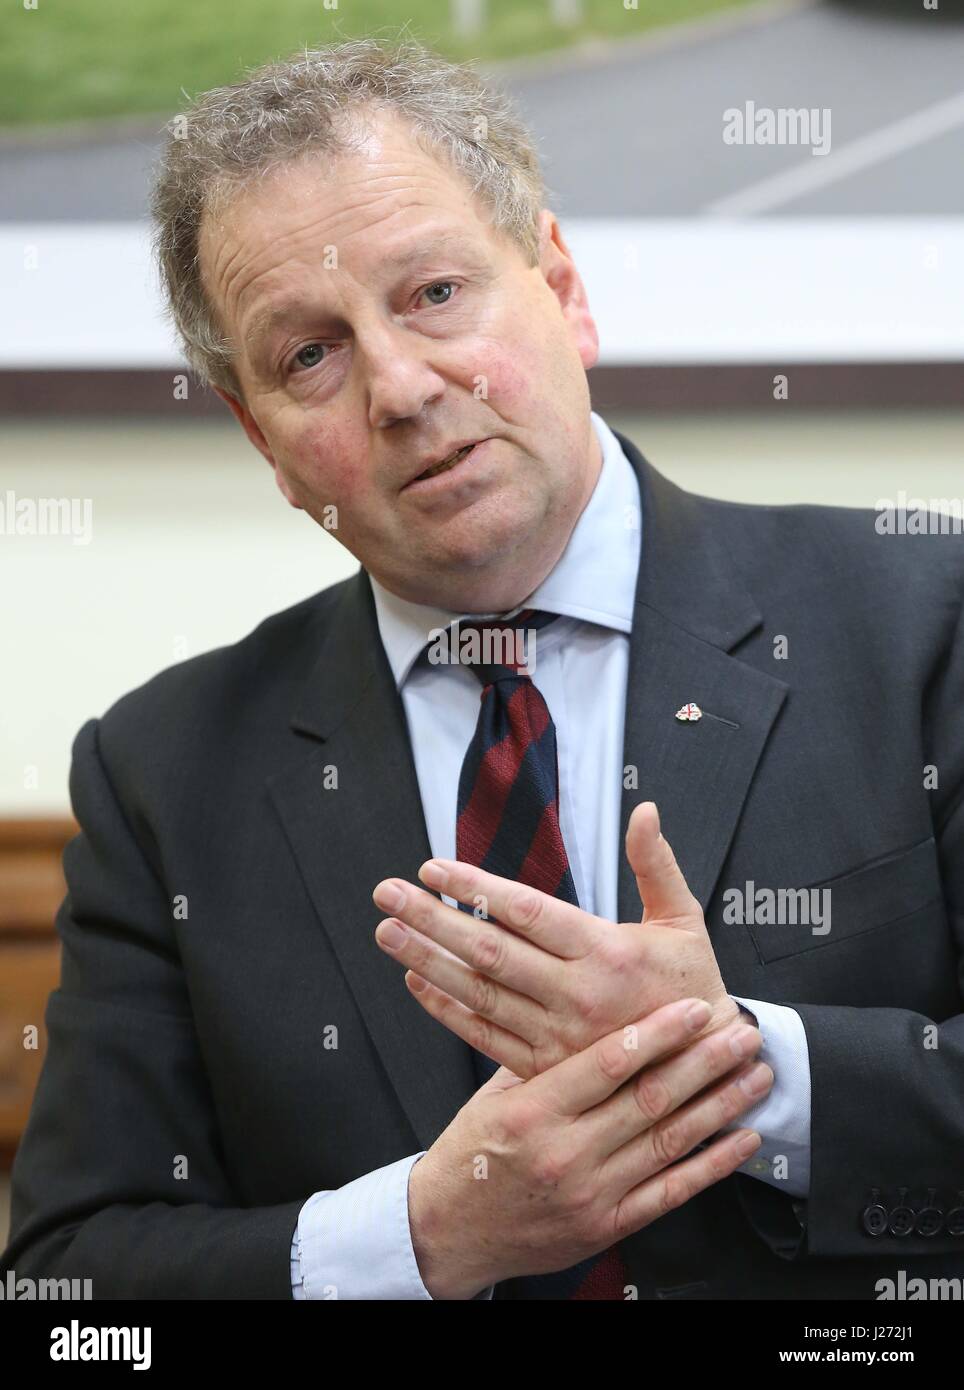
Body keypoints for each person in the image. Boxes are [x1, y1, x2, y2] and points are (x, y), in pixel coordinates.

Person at [3, 37, 963, 1300]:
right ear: (265, 445)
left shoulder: (921, 617)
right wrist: (414, 1240)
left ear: (562, 287)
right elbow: (72, 1300)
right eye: (309, 356)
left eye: (435, 292)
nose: (399, 387)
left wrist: (739, 1069)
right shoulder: (163, 774)